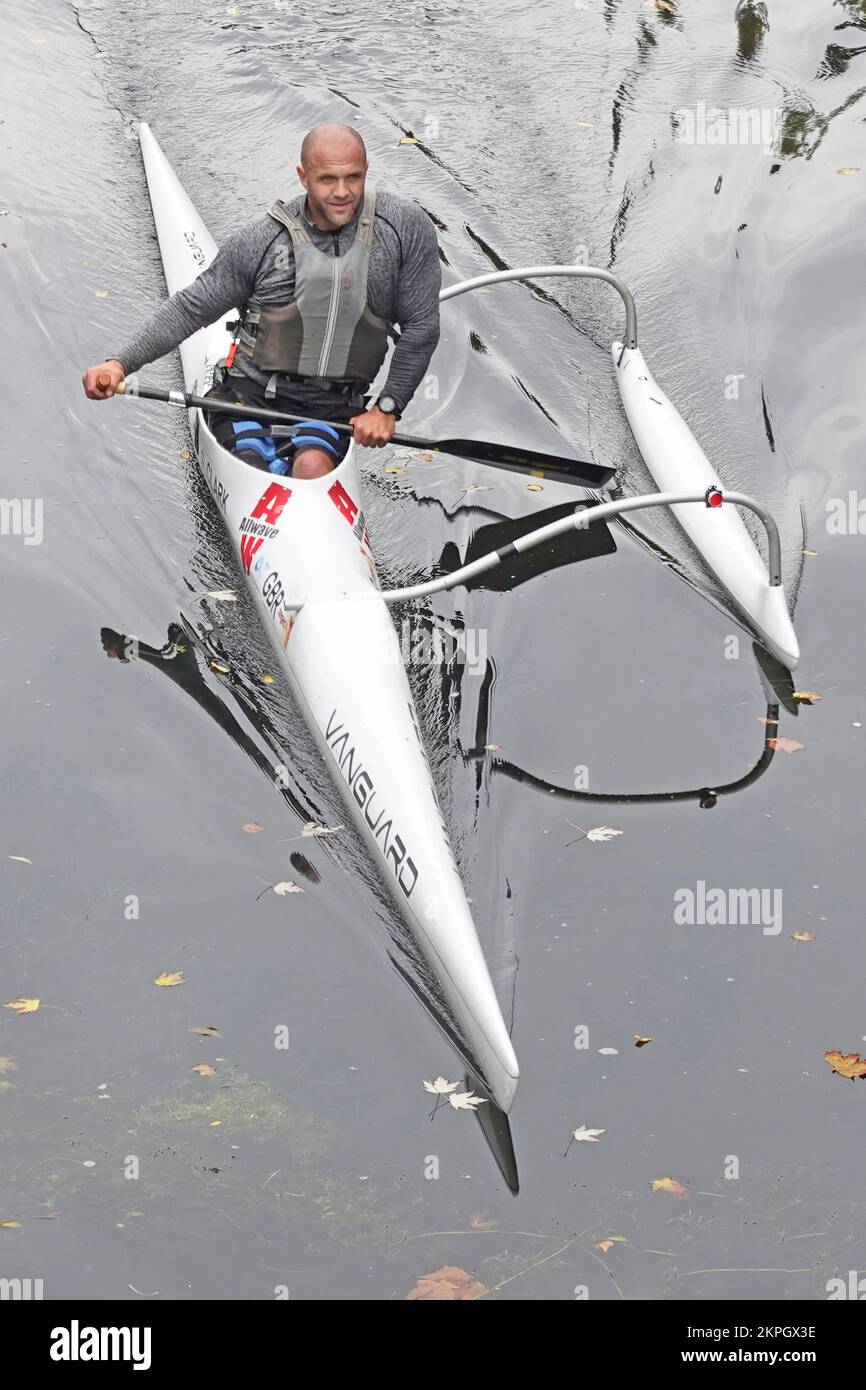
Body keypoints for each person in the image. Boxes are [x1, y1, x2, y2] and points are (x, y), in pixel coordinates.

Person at [82, 123, 441, 477]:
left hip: (334, 408)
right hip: (248, 398)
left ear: (367, 172)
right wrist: (121, 364)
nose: (342, 191)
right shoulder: (264, 240)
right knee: (251, 462)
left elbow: (421, 326)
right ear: (303, 176)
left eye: (353, 177)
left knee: (312, 466)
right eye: (327, 179)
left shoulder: (404, 230)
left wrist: (387, 407)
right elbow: (191, 308)